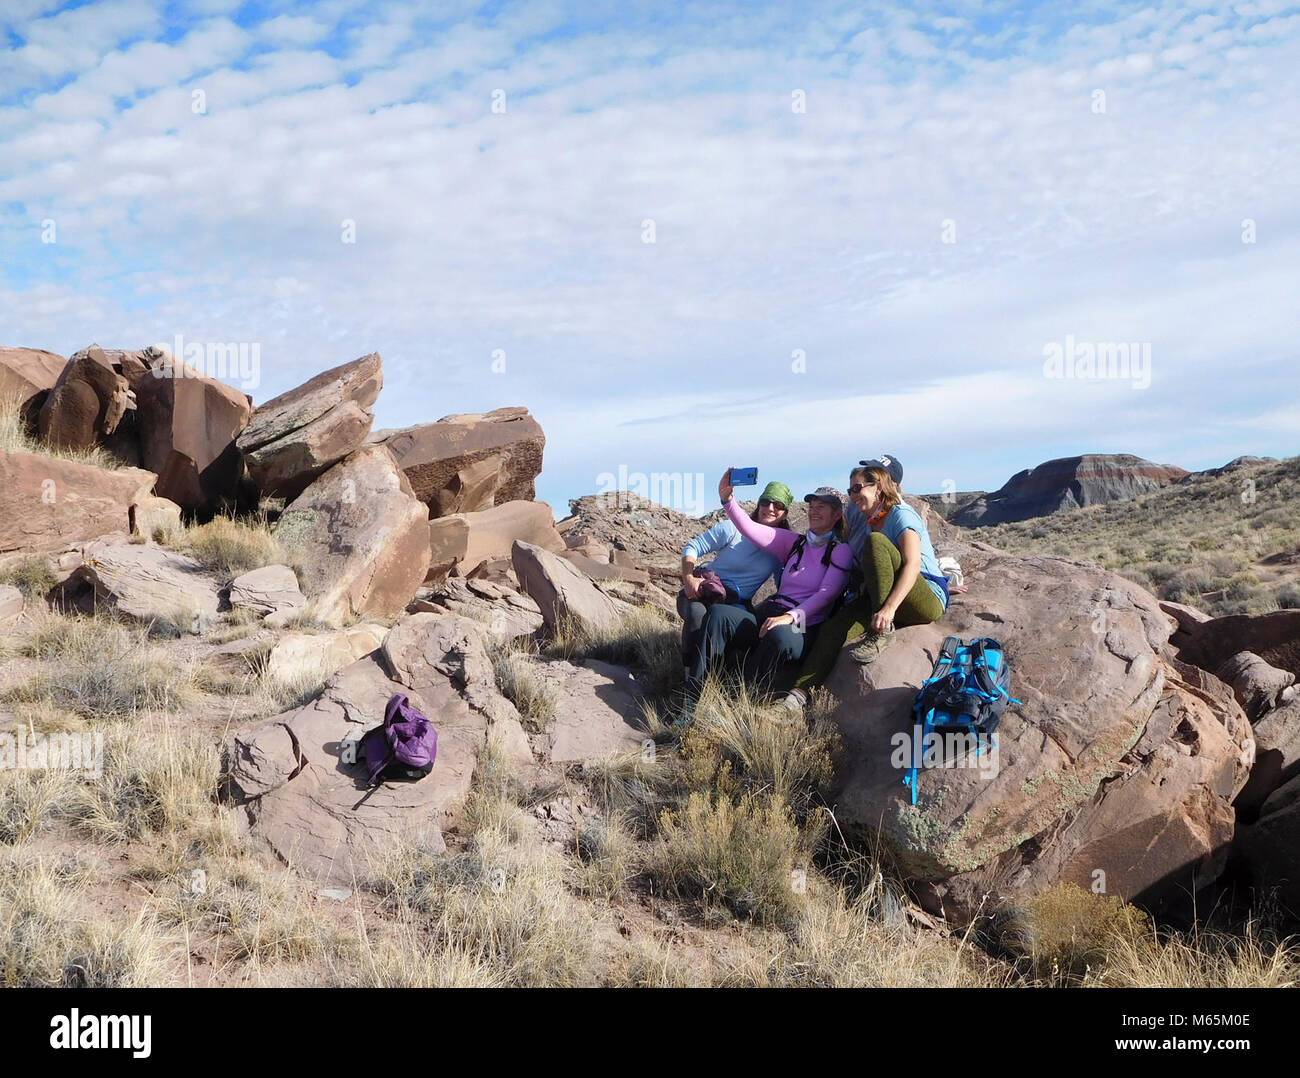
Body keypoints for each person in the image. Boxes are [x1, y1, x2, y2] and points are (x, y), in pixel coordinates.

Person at [783, 454, 955, 710]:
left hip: (922, 596)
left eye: (858, 488)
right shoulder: (867, 518)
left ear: (880, 487)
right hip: (882, 595)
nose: (853, 494)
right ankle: (795, 698)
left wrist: (888, 611)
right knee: (834, 629)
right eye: (850, 489)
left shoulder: (901, 515)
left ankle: (883, 632)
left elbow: (912, 565)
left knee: (876, 544)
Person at [711, 471, 855, 700]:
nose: (814, 510)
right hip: (773, 612)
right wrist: (728, 501)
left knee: (781, 636)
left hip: (803, 625)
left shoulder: (840, 551)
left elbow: (826, 594)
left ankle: (742, 697)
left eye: (822, 506)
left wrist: (790, 617)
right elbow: (752, 529)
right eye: (812, 505)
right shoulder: (795, 543)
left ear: (837, 515)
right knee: (720, 614)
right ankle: (699, 690)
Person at [678, 480, 792, 702]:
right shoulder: (732, 529)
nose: (770, 508)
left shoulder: (780, 548)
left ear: (785, 513)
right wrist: (689, 579)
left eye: (778, 505)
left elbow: (784, 584)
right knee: (698, 617)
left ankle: (726, 684)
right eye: (766, 502)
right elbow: (692, 547)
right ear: (758, 504)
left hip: (737, 604)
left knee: (750, 636)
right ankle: (688, 678)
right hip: (704, 592)